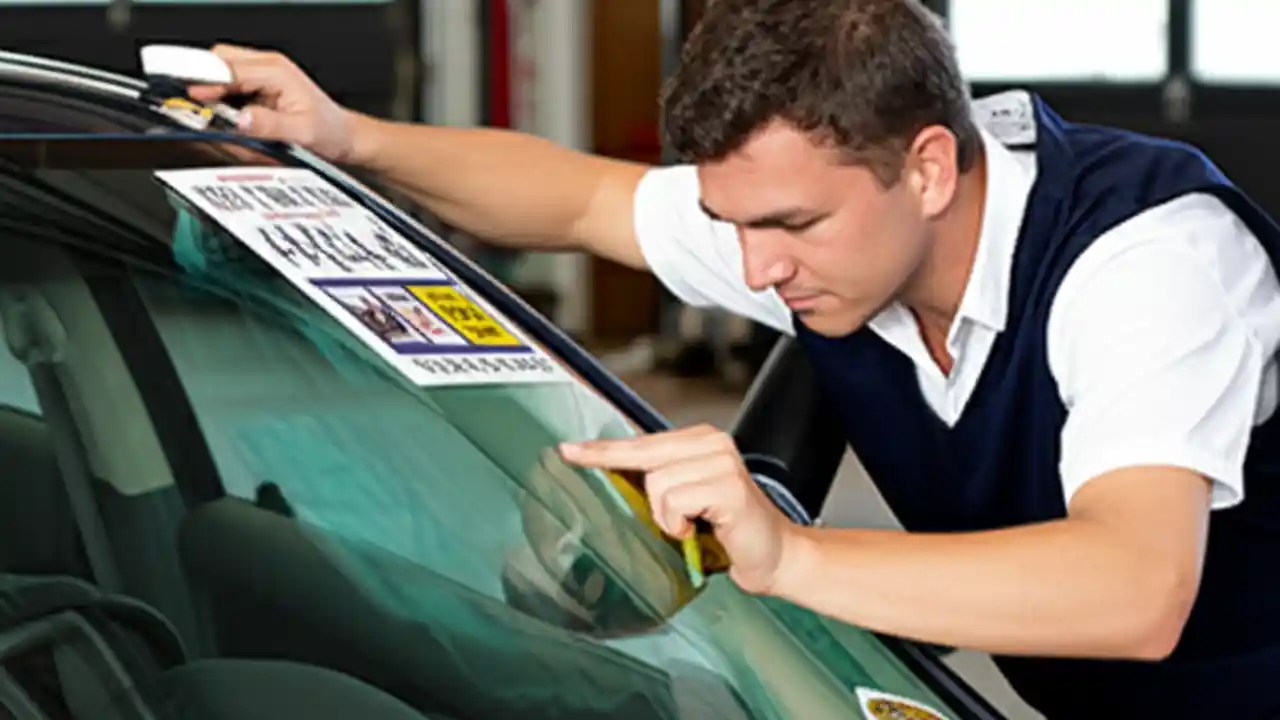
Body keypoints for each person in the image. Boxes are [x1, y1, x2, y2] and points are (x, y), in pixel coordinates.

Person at [190, 1, 1280, 716]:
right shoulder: (817, 208)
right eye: (731, 223)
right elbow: (577, 197)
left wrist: (787, 558)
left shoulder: (1146, 259)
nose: (754, 273)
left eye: (791, 228)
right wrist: (346, 137)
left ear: (931, 169)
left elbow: (1135, 588)